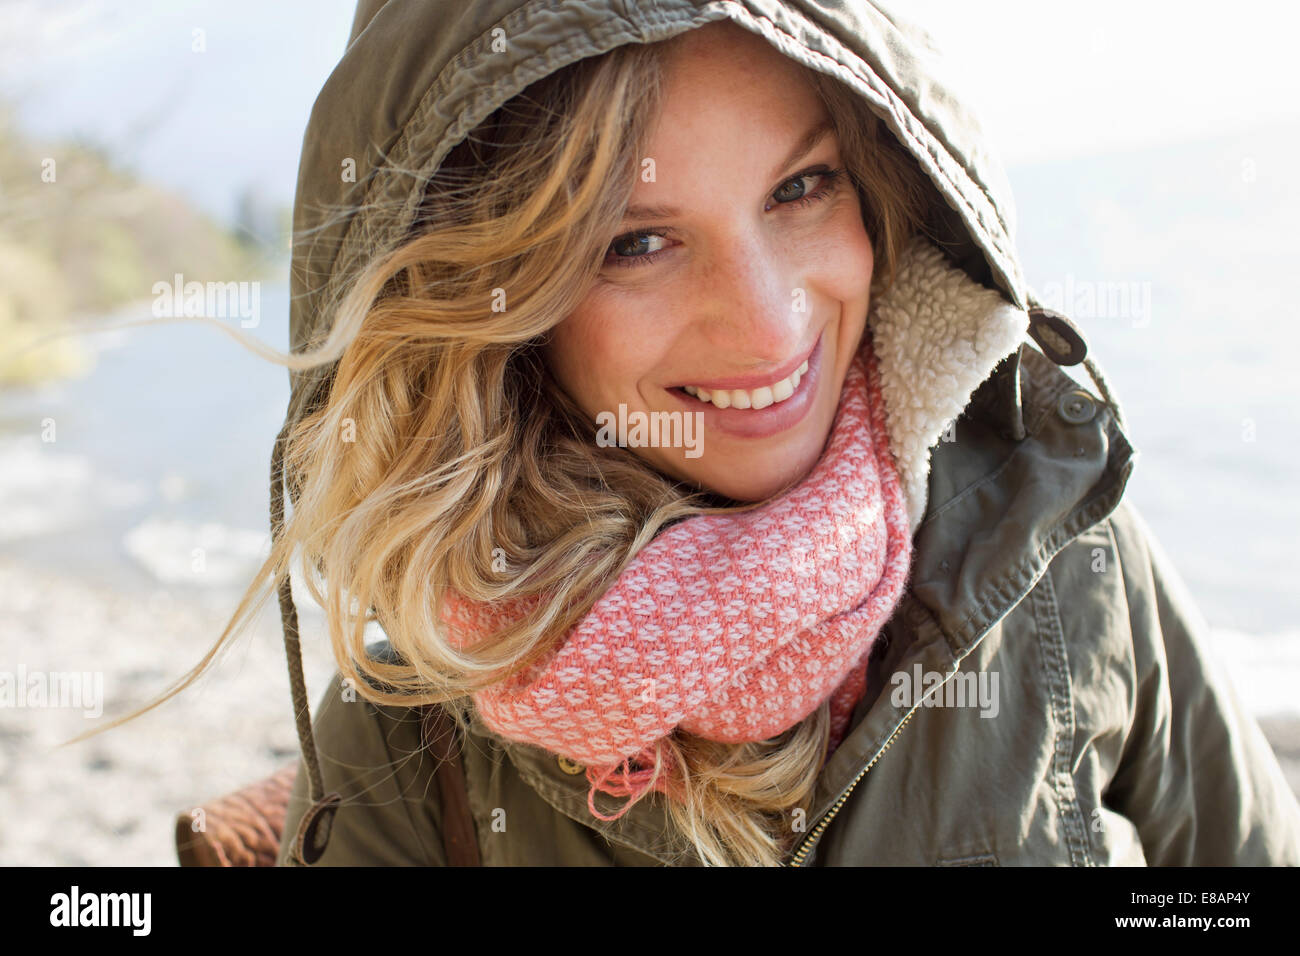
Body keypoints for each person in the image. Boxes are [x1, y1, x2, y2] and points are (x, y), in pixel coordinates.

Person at [139, 0, 1300, 866]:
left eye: (800, 188)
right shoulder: (402, 747)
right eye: (633, 242)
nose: (767, 321)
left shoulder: (1056, 543)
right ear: (503, 310)